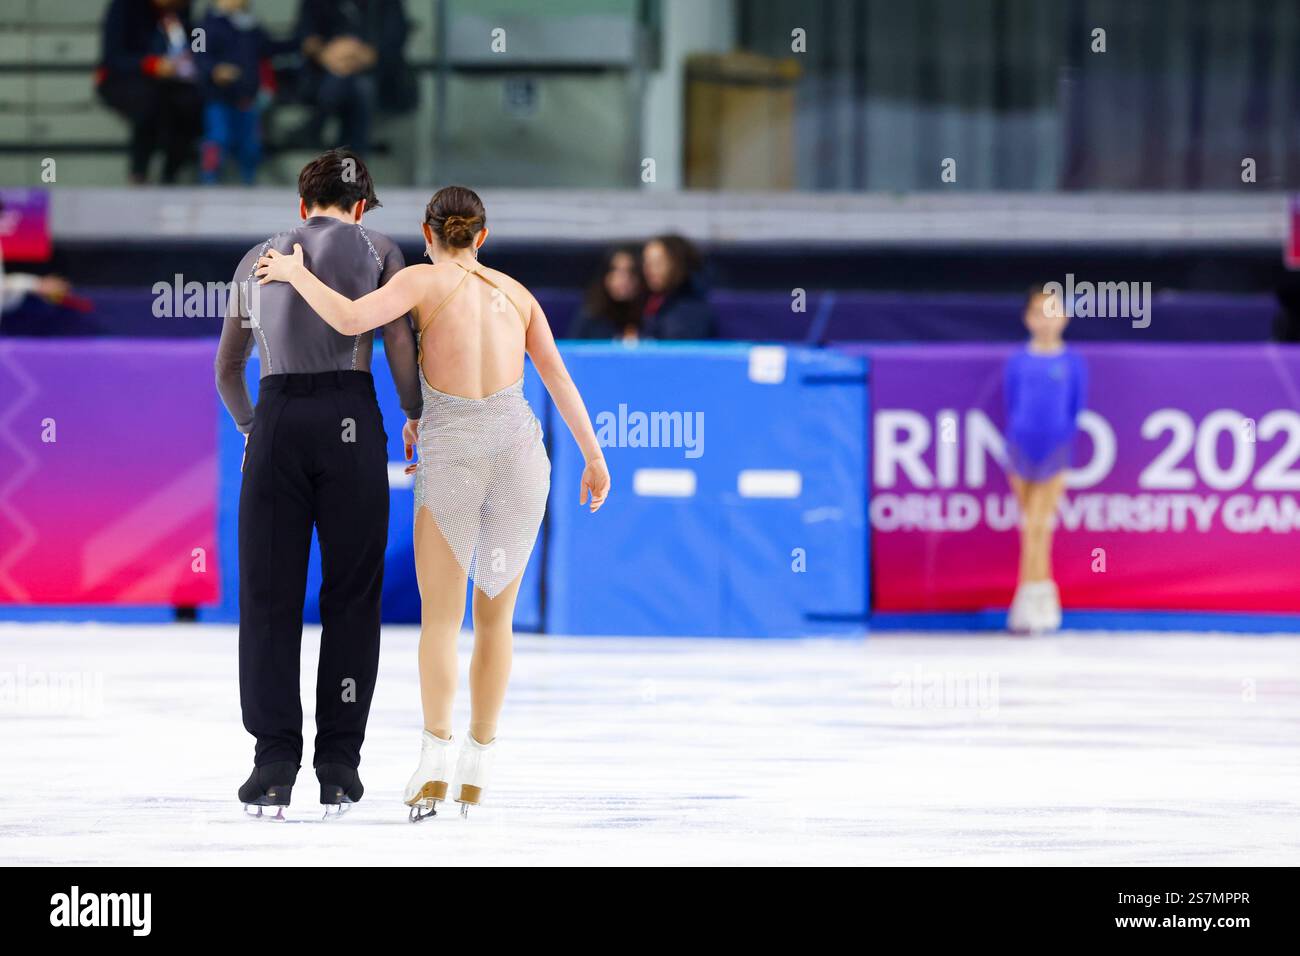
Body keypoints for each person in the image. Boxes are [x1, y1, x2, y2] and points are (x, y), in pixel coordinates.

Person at [256, 185, 611, 818]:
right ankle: (478, 763)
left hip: (454, 458)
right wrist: (594, 456)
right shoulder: (516, 293)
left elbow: (347, 318)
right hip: (520, 453)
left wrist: (291, 271)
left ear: (428, 232)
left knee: (441, 623)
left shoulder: (421, 281)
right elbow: (557, 378)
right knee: (495, 620)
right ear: (483, 235)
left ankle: (434, 760)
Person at [215, 149, 422, 817]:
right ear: (361, 206)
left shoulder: (255, 260)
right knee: (352, 600)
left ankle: (273, 764)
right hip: (350, 423)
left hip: (276, 420)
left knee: (270, 599)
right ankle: (339, 766)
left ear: (303, 205)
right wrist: (416, 412)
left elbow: (226, 371)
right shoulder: (383, 250)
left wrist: (254, 429)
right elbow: (397, 345)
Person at [1003, 285, 1088, 635]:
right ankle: (1032, 599)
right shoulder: (1018, 361)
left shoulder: (1073, 363)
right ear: (1028, 318)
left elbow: (1075, 408)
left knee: (1041, 525)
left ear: (1065, 317)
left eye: (1053, 311)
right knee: (1030, 527)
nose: (1046, 320)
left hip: (1056, 450)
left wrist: (1060, 443)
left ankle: (1036, 599)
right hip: (1021, 448)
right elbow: (1012, 403)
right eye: (1040, 312)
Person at [96, 0, 204, 184]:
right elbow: (113, 57)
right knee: (151, 101)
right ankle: (139, 173)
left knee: (192, 102)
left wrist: (193, 58)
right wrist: (150, 64)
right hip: (123, 78)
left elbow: (195, 43)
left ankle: (170, 175)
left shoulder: (180, 11)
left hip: (170, 81)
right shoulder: (125, 6)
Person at [293, 0, 412, 156]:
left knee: (356, 84)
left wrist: (362, 56)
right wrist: (326, 55)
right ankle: (353, 161)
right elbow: (304, 34)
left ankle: (317, 124)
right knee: (358, 87)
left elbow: (395, 36)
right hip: (323, 74)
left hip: (376, 74)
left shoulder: (387, 3)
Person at [196, 0, 281, 185]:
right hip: (218, 97)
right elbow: (198, 55)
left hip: (247, 97)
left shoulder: (251, 26)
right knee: (218, 138)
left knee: (250, 144)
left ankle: (248, 180)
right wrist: (214, 70)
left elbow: (270, 48)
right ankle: (209, 178)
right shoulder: (203, 26)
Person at [640, 234, 717, 340]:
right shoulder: (655, 299)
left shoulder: (690, 309)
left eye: (658, 262)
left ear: (678, 263)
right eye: (647, 263)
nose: (650, 270)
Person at [568, 245, 644, 341]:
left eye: (630, 272)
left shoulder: (648, 317)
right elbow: (573, 351)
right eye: (615, 270)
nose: (623, 279)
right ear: (605, 276)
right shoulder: (589, 316)